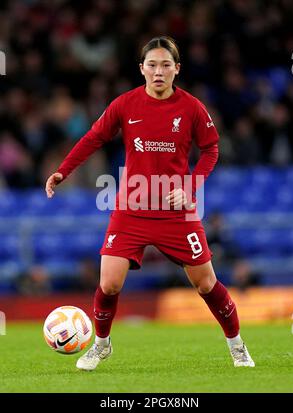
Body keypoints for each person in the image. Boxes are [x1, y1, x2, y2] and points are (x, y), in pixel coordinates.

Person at [45, 36, 255, 370]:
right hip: (132, 209)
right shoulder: (125, 104)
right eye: (152, 65)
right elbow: (93, 138)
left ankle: (237, 344)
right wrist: (62, 171)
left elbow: (212, 149)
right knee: (109, 283)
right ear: (142, 69)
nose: (159, 71)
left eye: (166, 65)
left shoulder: (192, 108)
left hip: (176, 212)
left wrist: (191, 185)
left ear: (177, 69)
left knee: (206, 284)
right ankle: (101, 345)